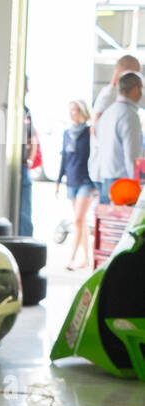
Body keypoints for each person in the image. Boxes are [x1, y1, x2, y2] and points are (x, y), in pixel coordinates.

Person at [55, 99, 96, 270]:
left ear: (81, 111)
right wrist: (58, 181)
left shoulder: (89, 132)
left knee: (78, 219)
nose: (72, 113)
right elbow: (64, 157)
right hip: (71, 179)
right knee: (81, 222)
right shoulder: (67, 133)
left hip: (86, 180)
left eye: (75, 110)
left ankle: (71, 258)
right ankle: (86, 258)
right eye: (70, 110)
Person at [93, 70, 144, 203]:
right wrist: (139, 187)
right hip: (123, 186)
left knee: (107, 223)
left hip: (105, 181)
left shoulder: (107, 113)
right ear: (135, 88)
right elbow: (133, 157)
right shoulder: (129, 115)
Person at [90, 54, 141, 184]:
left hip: (107, 171)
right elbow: (95, 130)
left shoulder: (114, 101)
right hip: (114, 174)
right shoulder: (111, 97)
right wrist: (137, 181)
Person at [20, 81, 35, 236]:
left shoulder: (26, 112)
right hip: (14, 167)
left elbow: (32, 140)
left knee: (25, 212)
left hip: (23, 167)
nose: (28, 90)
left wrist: (29, 160)